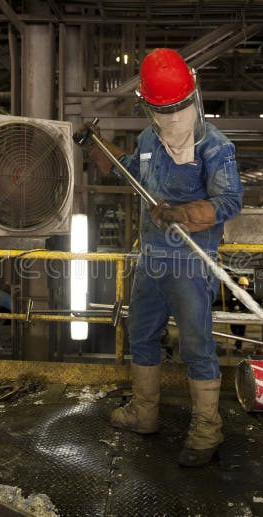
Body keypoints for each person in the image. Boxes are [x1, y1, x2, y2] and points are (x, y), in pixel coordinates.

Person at [79, 48, 244, 467]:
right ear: (149, 108)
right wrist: (100, 150)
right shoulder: (150, 139)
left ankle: (207, 428)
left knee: (196, 346)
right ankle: (144, 413)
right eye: (163, 110)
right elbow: (133, 170)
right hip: (150, 259)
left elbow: (229, 202)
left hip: (190, 262)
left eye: (177, 108)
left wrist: (184, 214)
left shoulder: (215, 146)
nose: (172, 119)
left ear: (193, 97)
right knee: (141, 335)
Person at [230, 276, 251, 352]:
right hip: (233, 317)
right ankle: (237, 343)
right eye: (242, 285)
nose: (243, 287)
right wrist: (233, 309)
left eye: (245, 286)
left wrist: (242, 311)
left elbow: (249, 307)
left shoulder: (247, 297)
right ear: (239, 286)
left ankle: (238, 347)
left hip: (243, 317)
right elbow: (230, 304)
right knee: (234, 331)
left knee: (241, 332)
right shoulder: (234, 294)